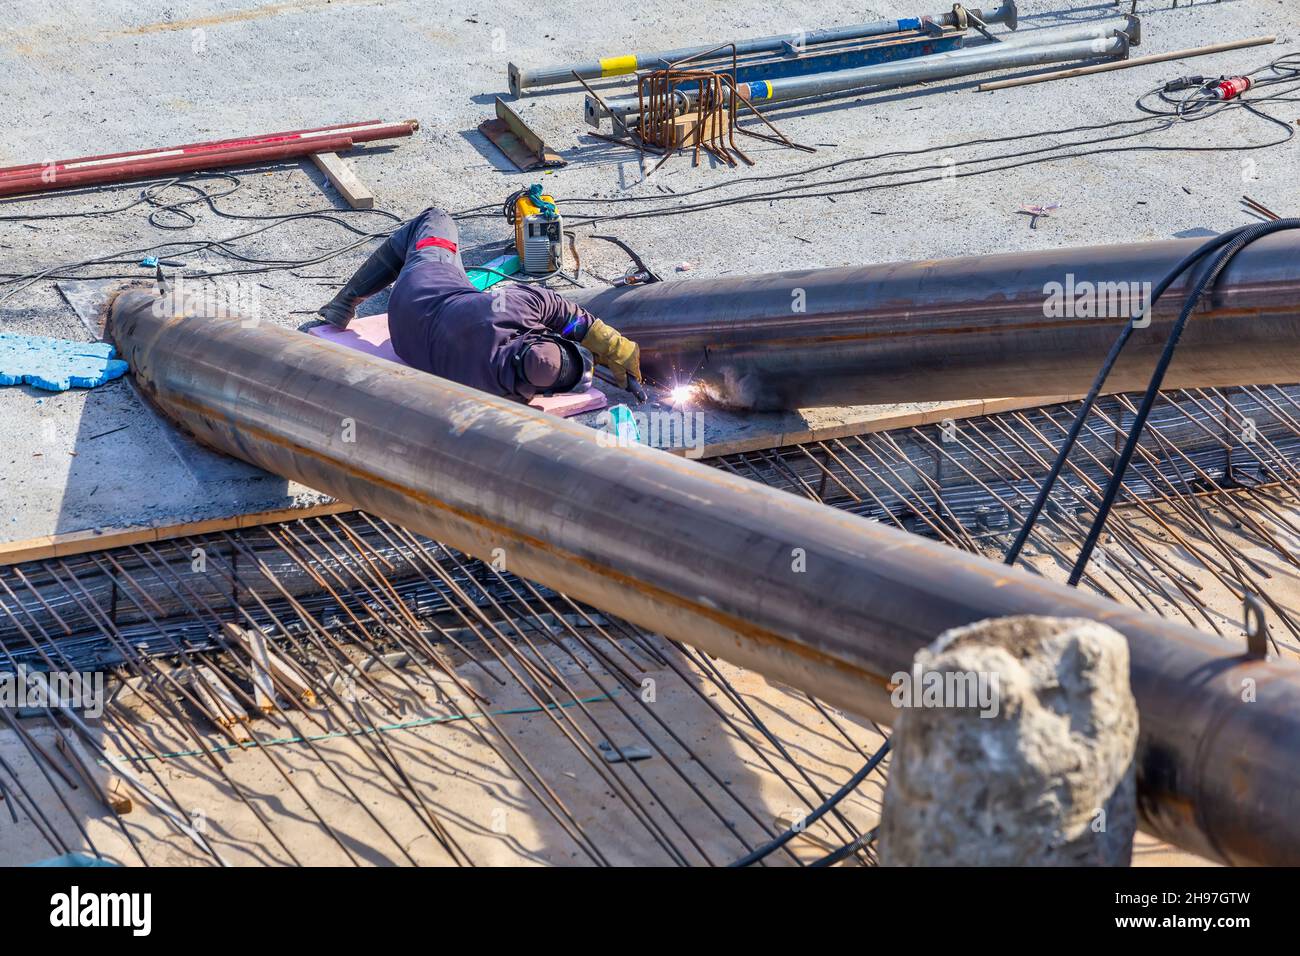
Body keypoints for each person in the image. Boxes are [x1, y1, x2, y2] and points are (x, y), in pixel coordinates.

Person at [317, 208, 641, 401]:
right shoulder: (503, 394)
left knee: (434, 219)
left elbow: (564, 314)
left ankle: (344, 303)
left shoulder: (512, 308)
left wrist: (612, 345)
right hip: (407, 341)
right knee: (459, 286)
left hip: (422, 287)